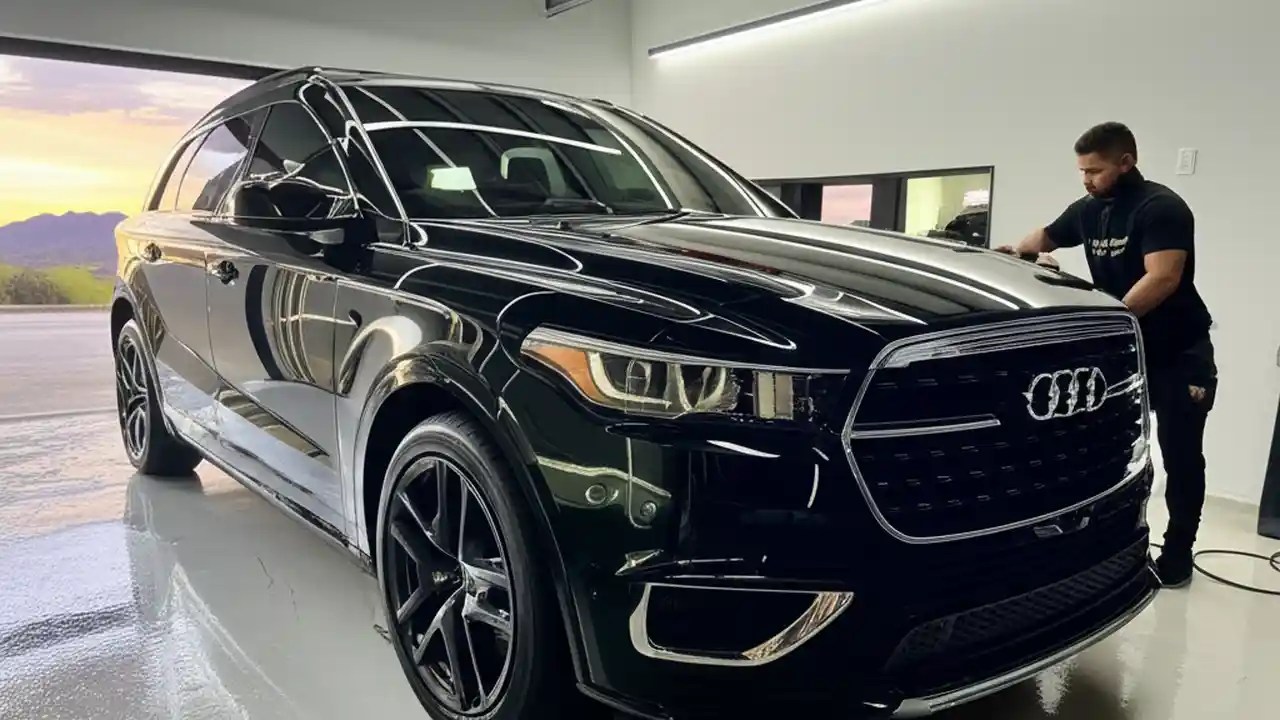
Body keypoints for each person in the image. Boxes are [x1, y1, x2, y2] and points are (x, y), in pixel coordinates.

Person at [998, 121, 1217, 588]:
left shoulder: (1162, 208)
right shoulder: (1088, 210)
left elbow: (1163, 278)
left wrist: (1107, 323)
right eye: (1081, 171)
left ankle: (1178, 553)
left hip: (1179, 351)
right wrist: (1014, 253)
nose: (1086, 180)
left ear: (1126, 162)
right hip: (1124, 351)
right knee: (1101, 449)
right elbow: (1044, 236)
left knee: (1181, 454)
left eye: (1095, 171)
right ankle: (1104, 546)